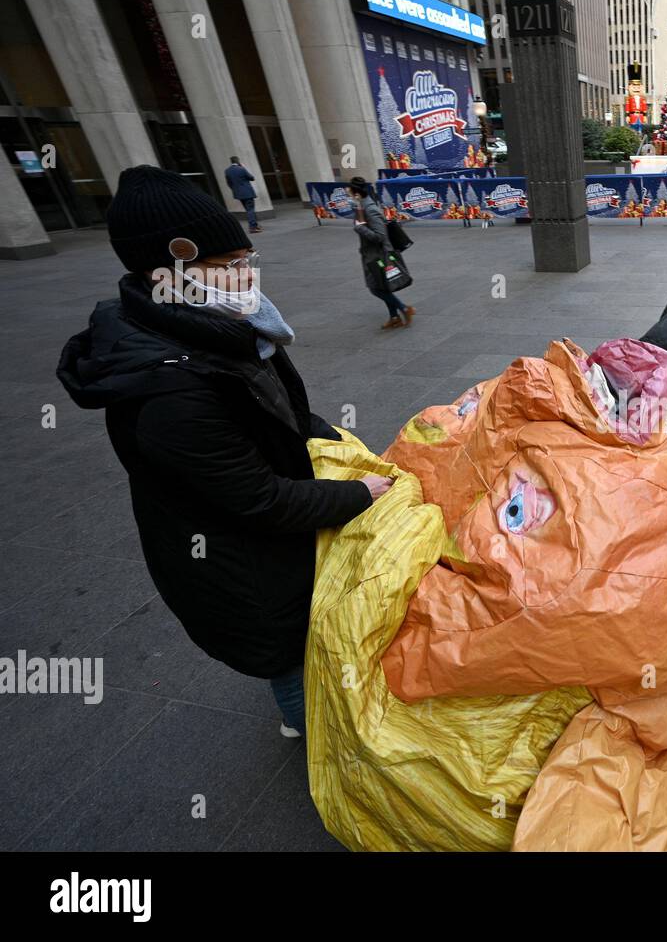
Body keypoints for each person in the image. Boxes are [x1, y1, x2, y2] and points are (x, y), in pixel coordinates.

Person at [56, 166, 392, 738]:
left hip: (267, 543)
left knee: (299, 634)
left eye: (246, 258)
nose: (246, 276)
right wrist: (358, 493)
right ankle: (311, 737)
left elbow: (283, 407)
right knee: (283, 652)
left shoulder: (229, 327)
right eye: (229, 265)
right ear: (167, 273)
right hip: (234, 562)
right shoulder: (169, 388)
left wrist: (329, 438)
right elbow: (256, 499)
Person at [347, 176, 415, 329]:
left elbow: (380, 236)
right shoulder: (361, 207)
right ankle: (394, 317)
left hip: (379, 255)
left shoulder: (370, 209)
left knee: (375, 288)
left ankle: (404, 308)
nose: (348, 195)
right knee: (381, 286)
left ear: (356, 193)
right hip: (372, 253)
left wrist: (360, 228)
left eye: (349, 192)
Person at [223, 156, 261, 234]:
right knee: (250, 210)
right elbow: (252, 178)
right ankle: (253, 227)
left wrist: (235, 190)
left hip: (239, 194)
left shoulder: (227, 171)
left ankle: (255, 225)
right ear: (238, 161)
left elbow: (229, 183)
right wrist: (244, 167)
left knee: (248, 210)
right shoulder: (241, 169)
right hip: (247, 193)